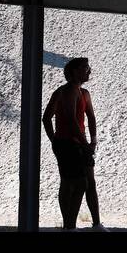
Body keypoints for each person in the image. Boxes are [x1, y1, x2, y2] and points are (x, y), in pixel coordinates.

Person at [42, 56, 104, 230]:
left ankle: (95, 224)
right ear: (75, 71)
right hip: (69, 144)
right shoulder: (66, 91)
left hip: (79, 143)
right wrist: (55, 140)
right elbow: (65, 119)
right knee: (73, 183)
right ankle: (69, 226)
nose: (89, 70)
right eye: (85, 68)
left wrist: (92, 140)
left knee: (87, 182)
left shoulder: (84, 93)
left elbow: (90, 117)